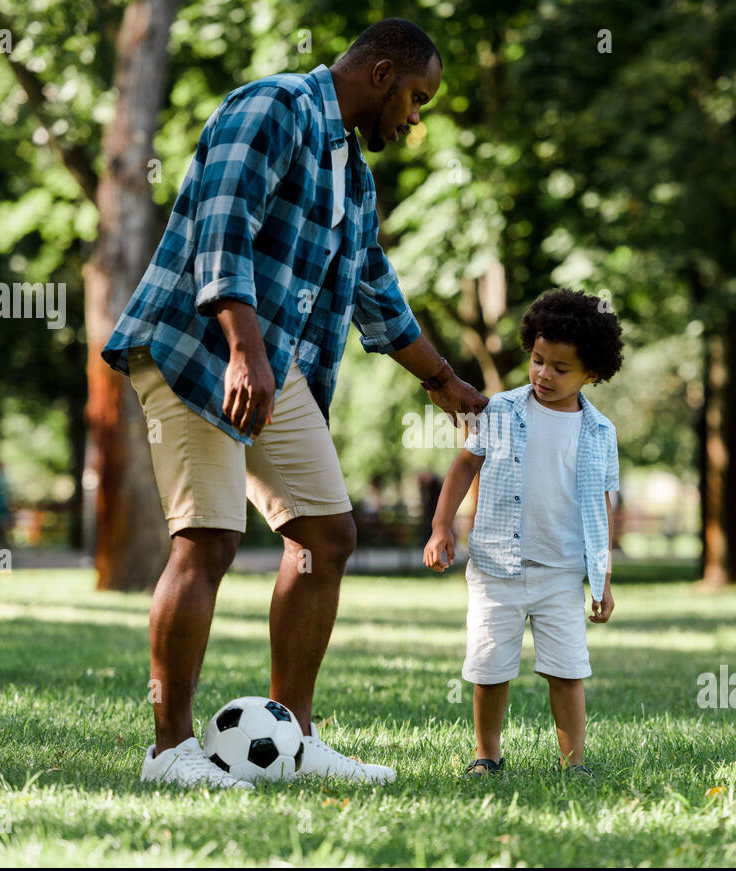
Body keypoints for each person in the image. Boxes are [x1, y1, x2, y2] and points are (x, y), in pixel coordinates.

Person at [100, 19, 487, 789]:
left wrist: (446, 382)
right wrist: (243, 347)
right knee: (207, 540)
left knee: (326, 535)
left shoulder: (353, 170)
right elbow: (222, 227)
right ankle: (169, 749)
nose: (415, 119)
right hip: (195, 347)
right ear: (381, 74)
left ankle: (296, 737)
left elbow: (376, 293)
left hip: (275, 367)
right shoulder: (273, 108)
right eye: (416, 99)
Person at [423, 289, 623, 777]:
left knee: (568, 670)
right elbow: (464, 464)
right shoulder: (503, 411)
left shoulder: (599, 433)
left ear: (591, 374)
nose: (543, 375)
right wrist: (440, 525)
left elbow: (601, 508)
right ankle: (487, 755)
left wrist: (604, 579)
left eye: (560, 368)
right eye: (538, 360)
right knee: (490, 668)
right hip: (496, 568)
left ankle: (573, 762)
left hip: (561, 572)